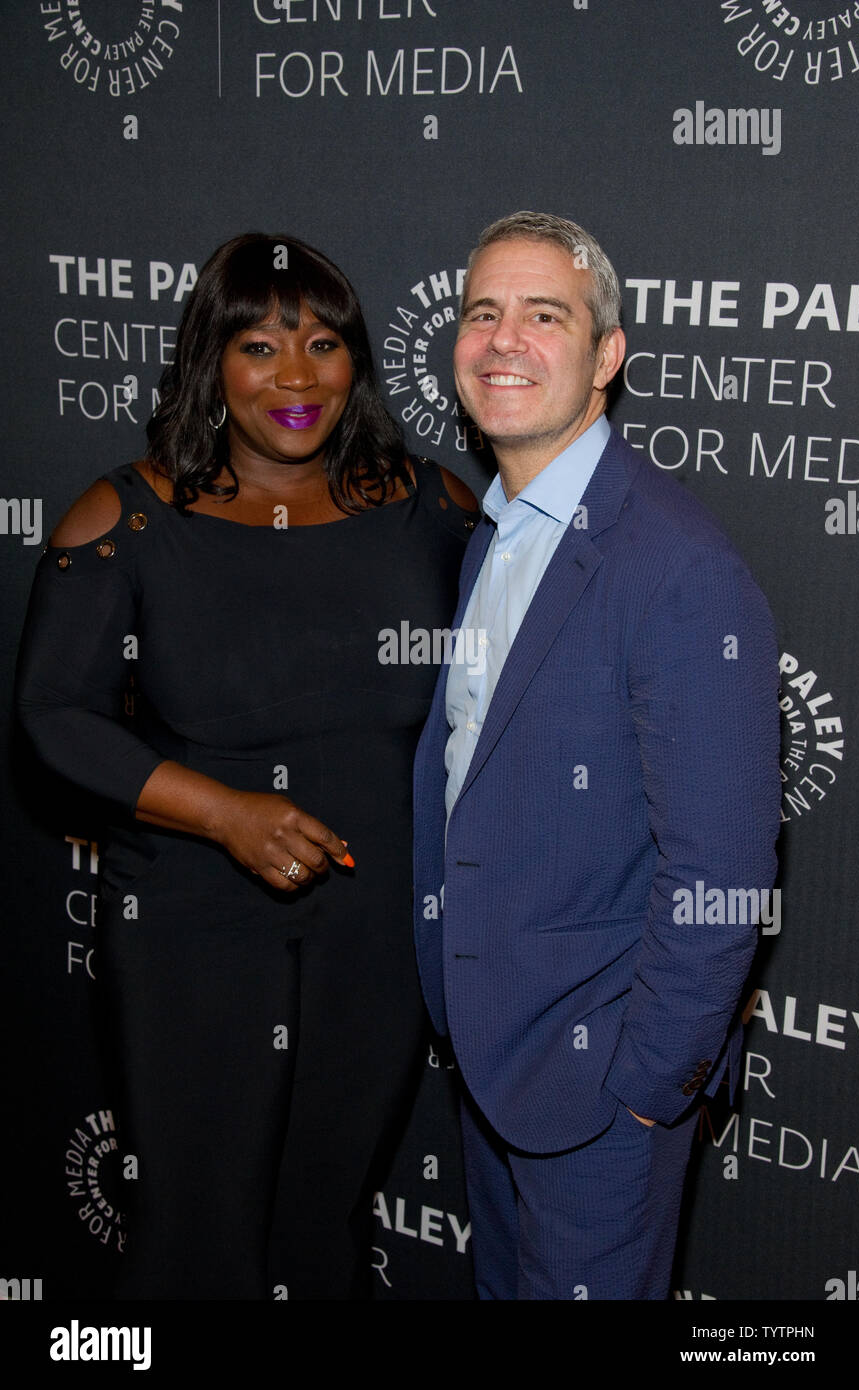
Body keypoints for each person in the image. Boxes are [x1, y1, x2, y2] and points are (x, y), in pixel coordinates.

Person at [17, 232, 477, 1300]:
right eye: (260, 346)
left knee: (321, 1224)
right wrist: (225, 814)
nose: (297, 376)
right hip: (194, 930)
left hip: (372, 933)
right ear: (209, 361)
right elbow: (50, 717)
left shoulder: (425, 506)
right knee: (195, 1237)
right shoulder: (131, 516)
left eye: (322, 343)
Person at [413, 211, 780, 1301]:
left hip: (596, 1093)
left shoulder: (678, 569)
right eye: (483, 313)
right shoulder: (495, 531)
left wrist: (642, 1091)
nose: (503, 340)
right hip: (491, 1055)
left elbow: (718, 871)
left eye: (543, 314)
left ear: (606, 356)